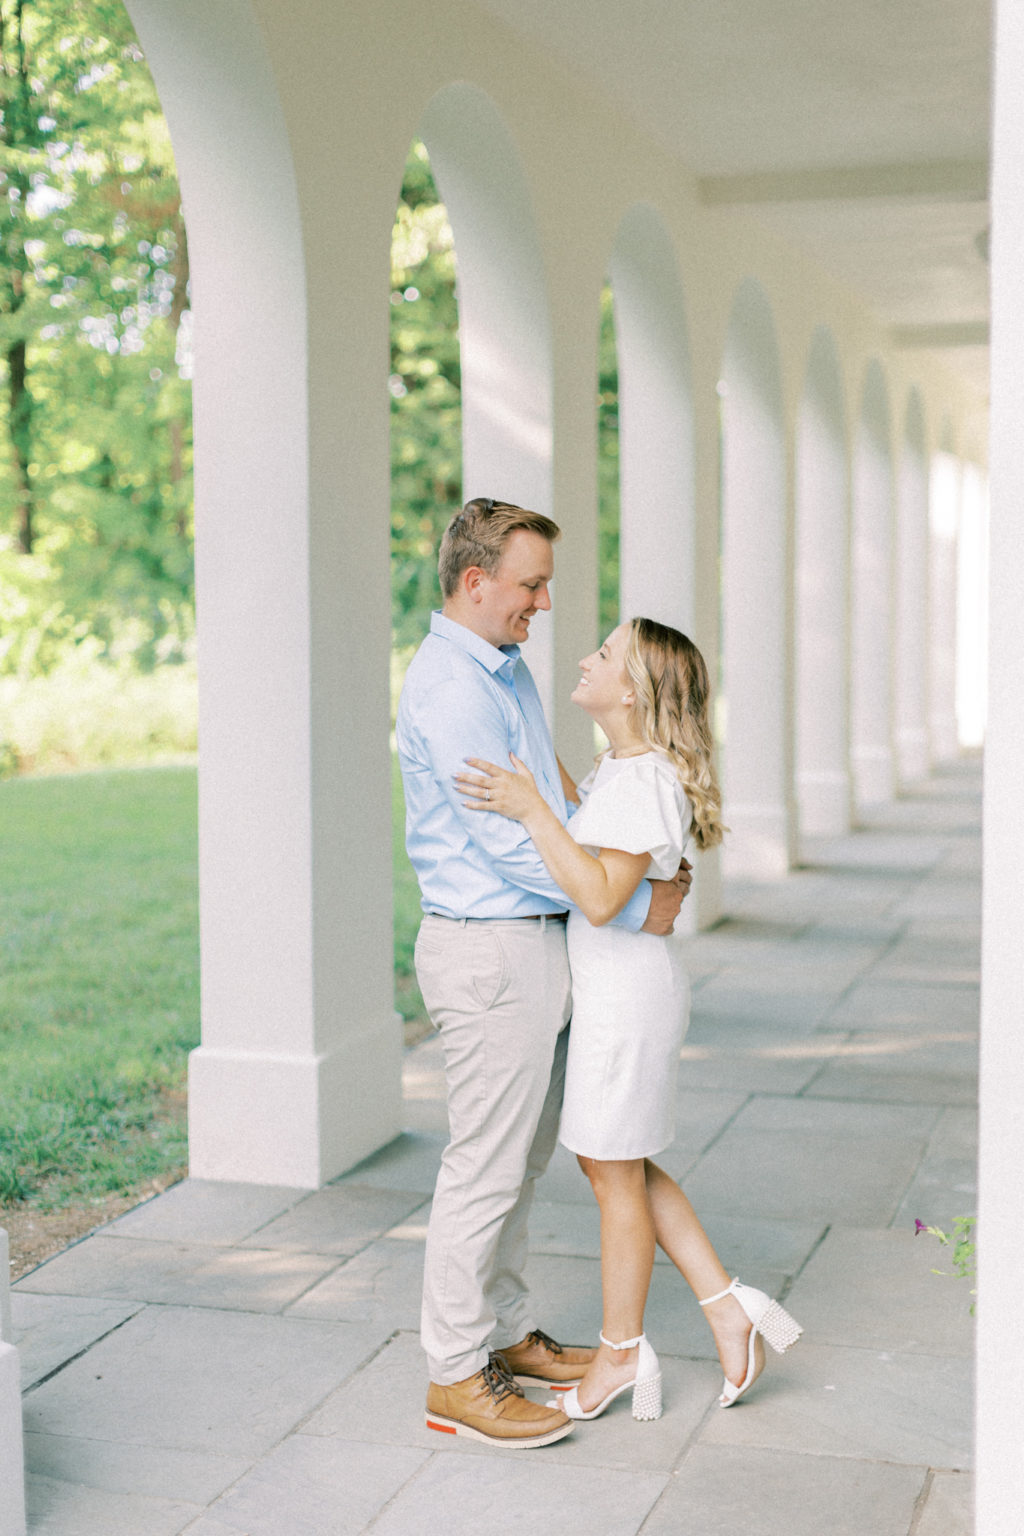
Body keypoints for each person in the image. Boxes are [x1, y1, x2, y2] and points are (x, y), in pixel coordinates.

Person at [454, 616, 802, 1423]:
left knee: (613, 1175)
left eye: (604, 654)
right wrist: (563, 799)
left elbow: (604, 896)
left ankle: (619, 1354)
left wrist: (532, 806)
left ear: (637, 691)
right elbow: (610, 861)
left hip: (625, 1002)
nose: (585, 657)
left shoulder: (642, 779)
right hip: (621, 993)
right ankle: (726, 1307)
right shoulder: (625, 766)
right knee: (623, 1168)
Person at [396, 498, 690, 1449]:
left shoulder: (505, 668)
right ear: (476, 583)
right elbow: (510, 847)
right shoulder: (451, 689)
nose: (544, 602)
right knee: (483, 1164)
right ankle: (453, 1375)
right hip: (489, 947)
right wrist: (627, 901)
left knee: (519, 1159)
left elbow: (560, 794)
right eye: (530, 585)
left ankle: (504, 1333)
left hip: (536, 941)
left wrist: (609, 869)